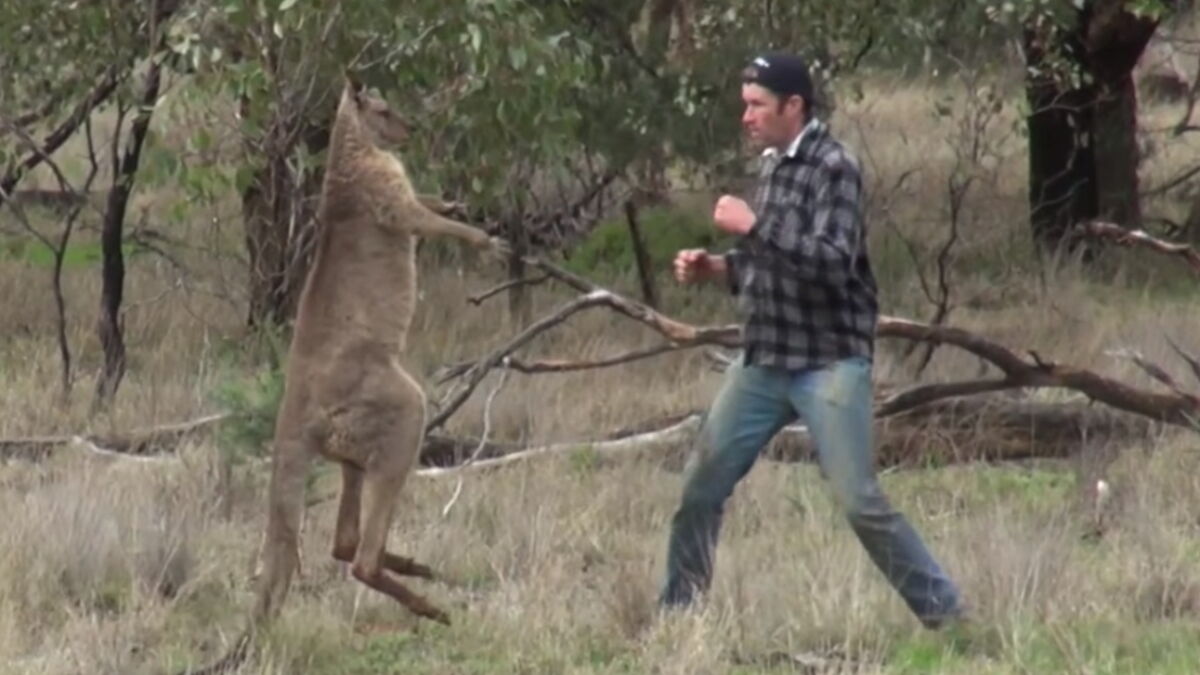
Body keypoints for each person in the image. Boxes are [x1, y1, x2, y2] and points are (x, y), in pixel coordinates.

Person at [658, 51, 964, 628]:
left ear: (793, 106)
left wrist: (754, 225)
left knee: (859, 501)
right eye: (743, 105)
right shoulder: (774, 165)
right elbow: (770, 264)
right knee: (700, 487)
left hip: (827, 362)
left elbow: (828, 266)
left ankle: (948, 615)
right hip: (765, 359)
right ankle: (679, 619)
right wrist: (717, 269)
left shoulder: (835, 167)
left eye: (757, 105)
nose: (745, 117)